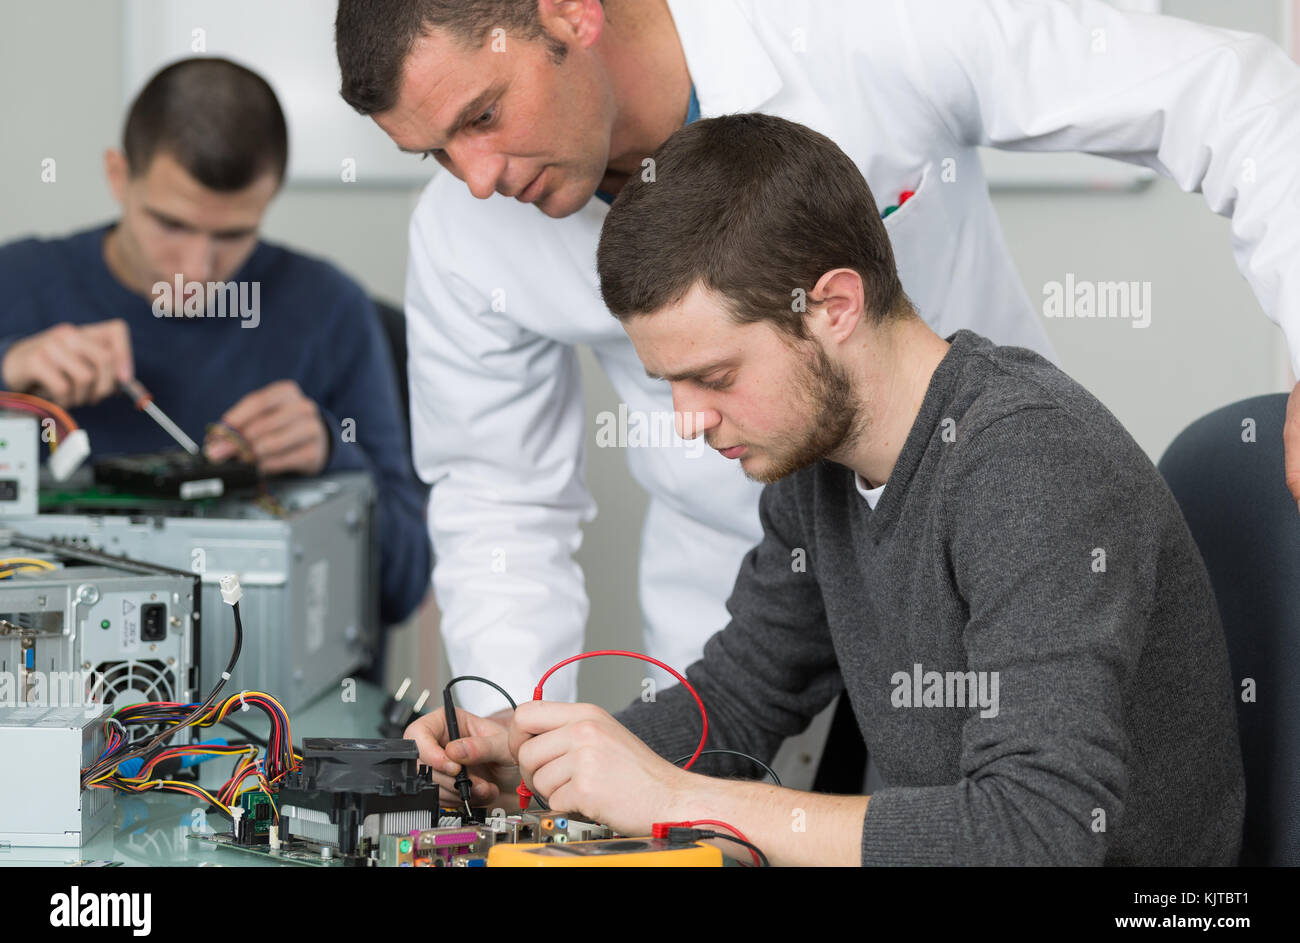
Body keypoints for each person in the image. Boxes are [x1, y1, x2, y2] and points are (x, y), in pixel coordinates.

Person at [335, 0, 1300, 720]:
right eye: (436, 154)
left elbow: (1226, 93)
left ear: (568, 14)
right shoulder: (467, 239)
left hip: (986, 559)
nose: (477, 179)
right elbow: (500, 501)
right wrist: (513, 726)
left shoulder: (851, 26)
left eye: (483, 116)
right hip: (746, 619)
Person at [403, 113, 1246, 866]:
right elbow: (735, 702)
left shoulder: (1031, 463)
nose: (687, 421)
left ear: (834, 306)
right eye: (669, 384)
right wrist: (532, 756)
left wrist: (669, 801)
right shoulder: (820, 467)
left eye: (714, 376)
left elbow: (1037, 832)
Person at [0, 57, 431, 627]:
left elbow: (404, 585)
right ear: (117, 175)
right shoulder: (17, 284)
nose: (197, 270)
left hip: (271, 699)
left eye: (233, 235)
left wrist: (333, 456)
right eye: (172, 225)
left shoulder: (331, 312)